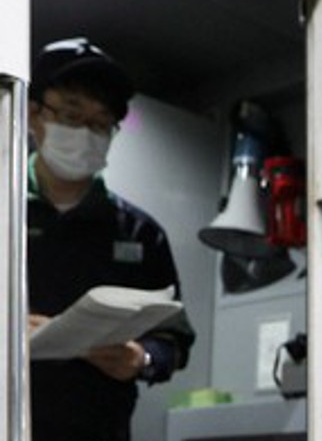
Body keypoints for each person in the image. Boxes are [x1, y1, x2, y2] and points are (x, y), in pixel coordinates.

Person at [26, 37, 196, 441]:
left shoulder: (140, 232)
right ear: (34, 115)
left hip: (99, 428)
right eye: (71, 115)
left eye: (100, 124)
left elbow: (175, 339)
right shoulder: (4, 210)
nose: (86, 133)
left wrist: (143, 358)